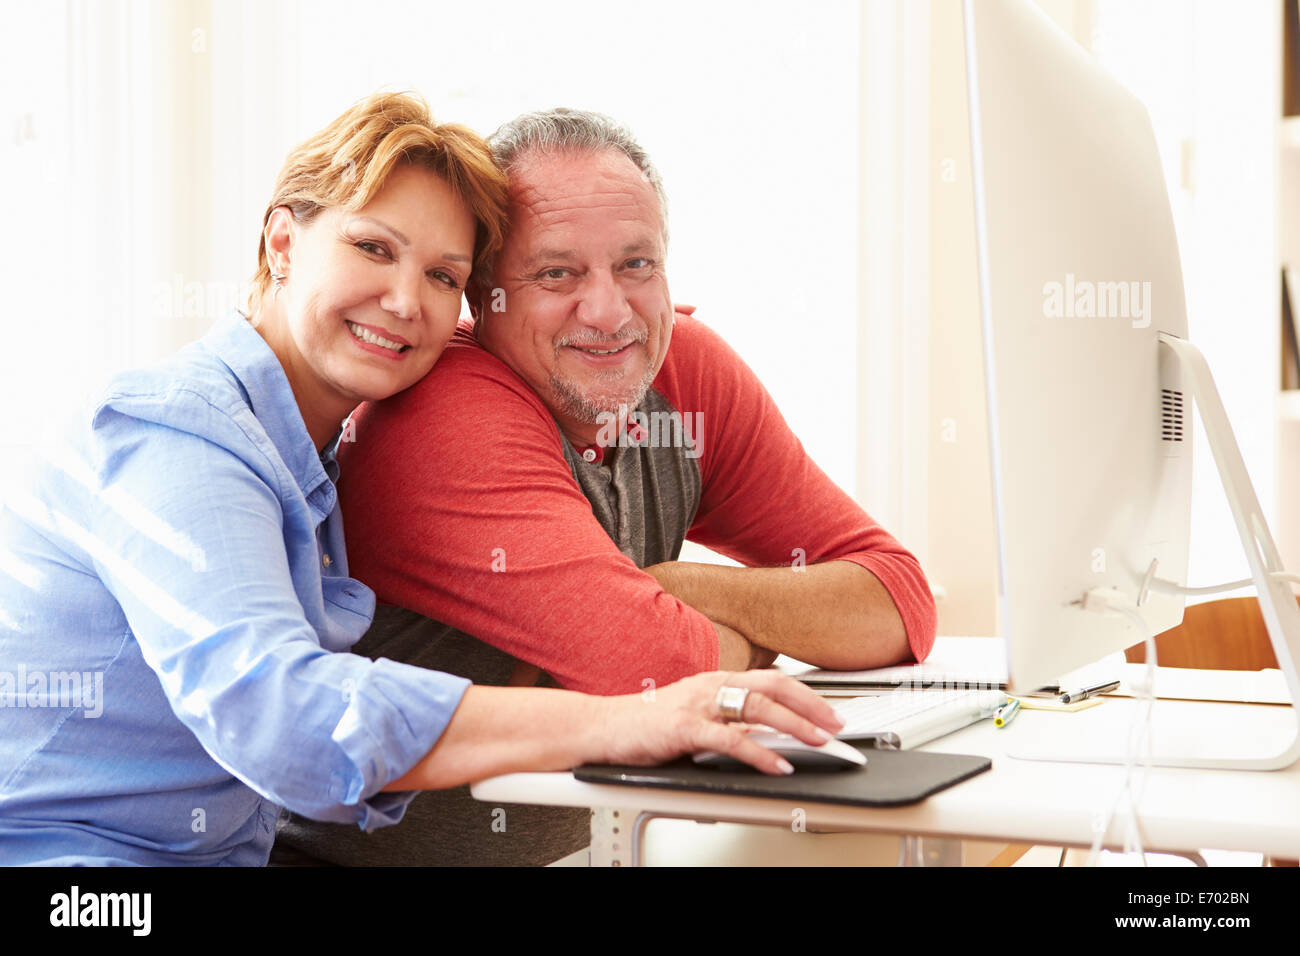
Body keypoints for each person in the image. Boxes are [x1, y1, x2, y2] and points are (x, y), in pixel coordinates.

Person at [0, 93, 844, 866]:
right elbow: (280, 714)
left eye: (442, 275)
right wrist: (632, 718)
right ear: (282, 244)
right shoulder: (178, 433)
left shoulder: (310, 456)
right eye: (373, 248)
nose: (407, 300)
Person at [273, 109, 937, 866]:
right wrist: (731, 631)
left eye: (636, 265)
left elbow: (899, 604)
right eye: (556, 273)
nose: (610, 312)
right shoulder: (444, 413)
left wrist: (677, 586)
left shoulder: (685, 370)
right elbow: (666, 672)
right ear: (479, 297)